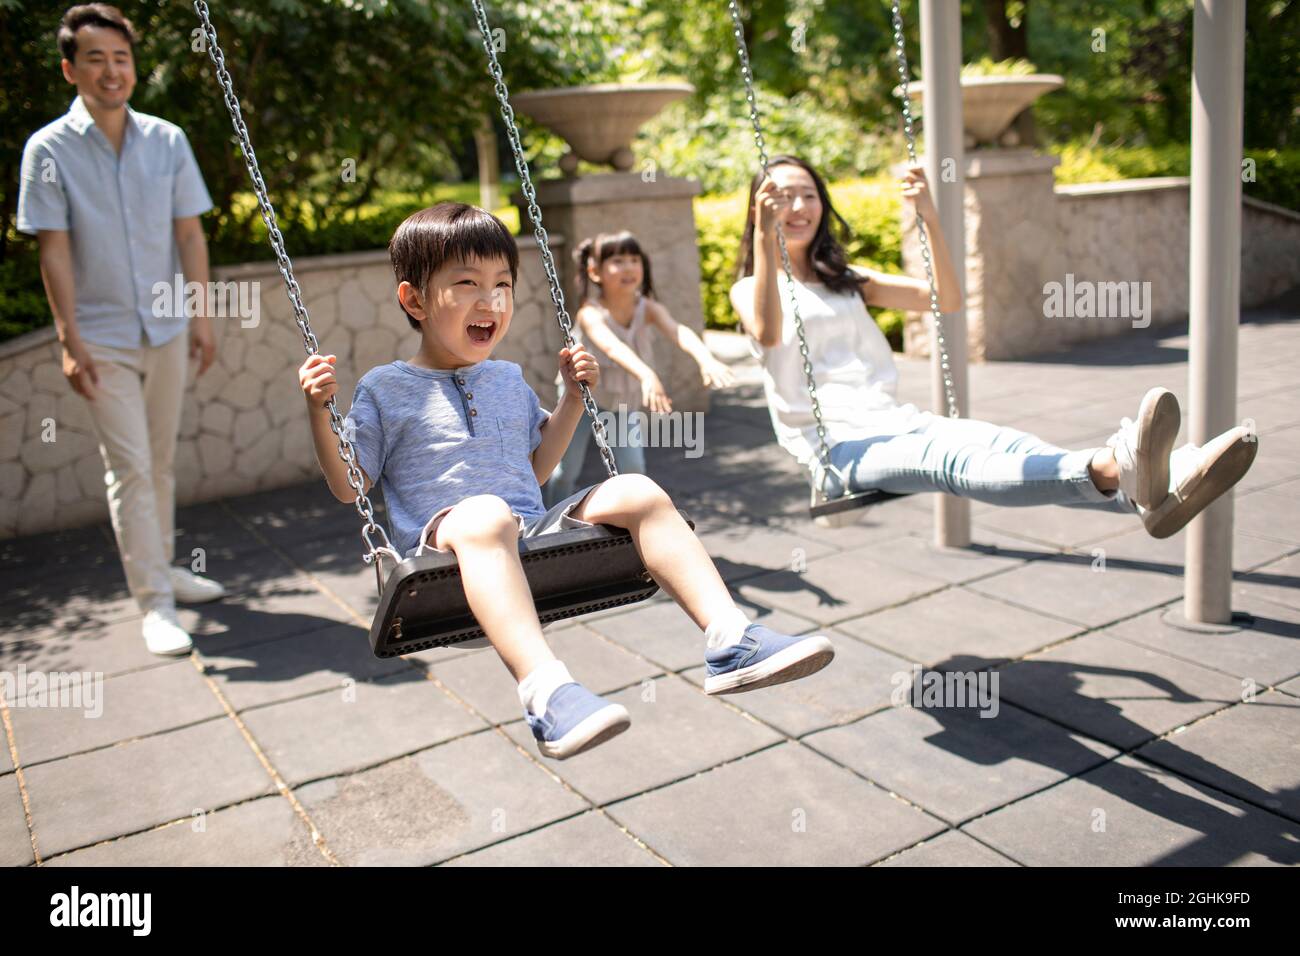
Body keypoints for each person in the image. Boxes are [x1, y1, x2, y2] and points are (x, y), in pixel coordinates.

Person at [298, 202, 834, 760]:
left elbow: (534, 469)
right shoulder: (386, 388)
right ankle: (547, 693)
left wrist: (573, 401)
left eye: (502, 284)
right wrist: (320, 412)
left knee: (639, 490)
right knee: (486, 514)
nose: (490, 301)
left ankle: (730, 641)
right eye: (467, 284)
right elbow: (349, 485)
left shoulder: (506, 378)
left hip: (525, 532)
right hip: (443, 556)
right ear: (414, 300)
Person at [728, 155, 1257, 537]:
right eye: (781, 196)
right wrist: (763, 235)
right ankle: (1120, 468)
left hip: (896, 420)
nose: (797, 206)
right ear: (760, 207)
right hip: (839, 452)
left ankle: (1146, 492)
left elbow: (947, 298)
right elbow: (770, 333)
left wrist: (928, 215)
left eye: (808, 194)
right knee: (951, 459)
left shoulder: (846, 278)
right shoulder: (751, 289)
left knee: (1008, 444)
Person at [17, 4, 226, 656]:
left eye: (121, 59)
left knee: (159, 463)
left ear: (133, 67)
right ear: (69, 68)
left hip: (165, 327)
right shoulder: (47, 150)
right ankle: (154, 604)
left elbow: (189, 232)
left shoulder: (167, 140)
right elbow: (53, 251)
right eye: (96, 59)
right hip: (101, 335)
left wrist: (203, 315)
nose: (111, 71)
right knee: (130, 467)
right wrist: (67, 340)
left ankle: (162, 568)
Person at [543, 231, 735, 507]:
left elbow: (678, 331)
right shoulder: (590, 313)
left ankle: (635, 524)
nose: (629, 267)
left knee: (634, 468)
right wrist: (646, 374)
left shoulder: (648, 308)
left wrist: (706, 358)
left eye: (634, 259)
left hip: (620, 402)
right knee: (565, 471)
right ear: (595, 272)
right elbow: (611, 348)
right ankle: (551, 523)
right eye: (618, 261)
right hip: (581, 399)